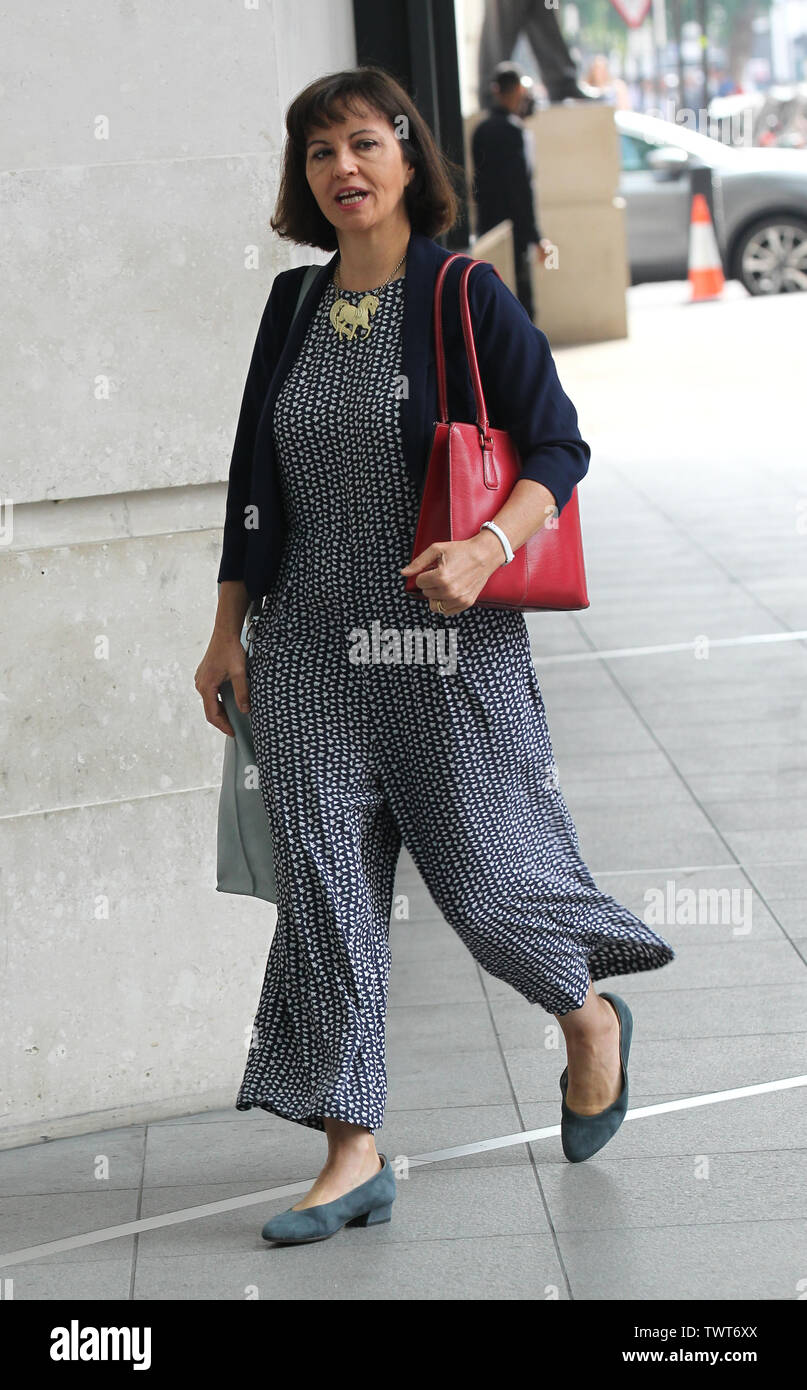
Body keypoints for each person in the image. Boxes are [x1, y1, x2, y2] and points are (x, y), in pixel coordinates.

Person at [194, 64, 675, 1246]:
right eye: (320, 154)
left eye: (364, 144)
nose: (343, 169)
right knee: (323, 891)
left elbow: (559, 446)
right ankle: (352, 1149)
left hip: (438, 639)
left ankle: (586, 1015)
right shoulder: (292, 309)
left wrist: (485, 545)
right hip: (304, 641)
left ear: (411, 159)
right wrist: (224, 627)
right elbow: (256, 483)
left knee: (487, 885)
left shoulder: (462, 292)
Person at [472, 62, 553, 322]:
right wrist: (536, 237)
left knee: (494, 303)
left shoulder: (481, 132)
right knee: (523, 303)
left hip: (489, 231)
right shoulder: (516, 133)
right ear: (518, 90)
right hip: (515, 234)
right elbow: (522, 189)